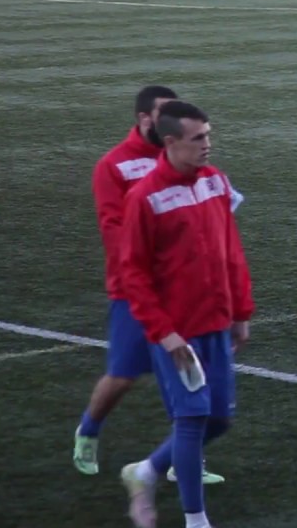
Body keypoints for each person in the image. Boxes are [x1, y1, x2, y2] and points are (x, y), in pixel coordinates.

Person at [72, 85, 221, 485]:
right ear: (144, 120)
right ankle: (88, 429)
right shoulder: (114, 166)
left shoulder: (180, 155)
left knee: (191, 374)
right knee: (123, 374)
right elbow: (115, 231)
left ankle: (183, 460)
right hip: (135, 291)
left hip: (184, 293)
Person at [116, 100, 254, 528]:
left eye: (209, 135)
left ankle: (146, 471)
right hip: (176, 333)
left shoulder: (215, 182)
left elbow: (231, 249)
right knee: (192, 419)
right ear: (171, 142)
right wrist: (165, 333)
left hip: (216, 322)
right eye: (199, 138)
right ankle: (196, 520)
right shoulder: (145, 197)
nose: (208, 145)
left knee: (219, 419)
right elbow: (133, 273)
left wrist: (241, 310)